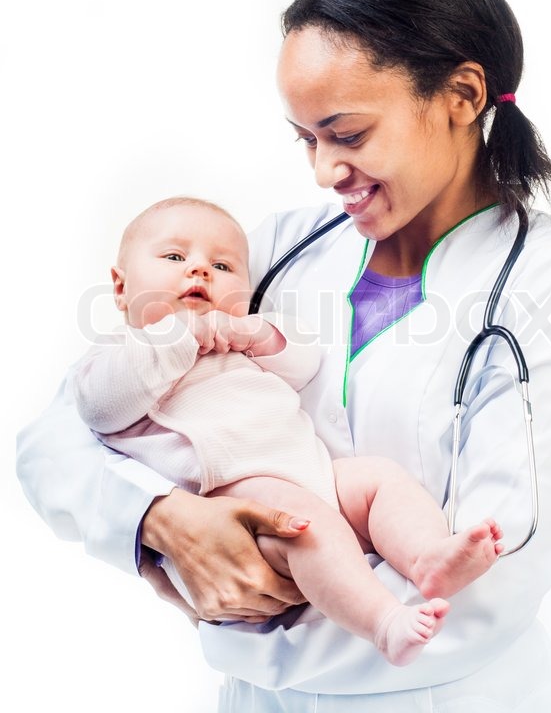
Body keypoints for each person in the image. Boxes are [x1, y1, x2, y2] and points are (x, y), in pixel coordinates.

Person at [16, 0, 551, 713]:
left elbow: (496, 571)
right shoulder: (270, 250)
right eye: (306, 139)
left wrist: (237, 621)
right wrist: (162, 521)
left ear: (462, 96)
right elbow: (58, 438)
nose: (324, 170)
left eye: (348, 133)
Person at [71, 194, 505, 666]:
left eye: (222, 266)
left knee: (379, 479)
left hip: (314, 472)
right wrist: (178, 339)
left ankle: (427, 557)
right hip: (237, 501)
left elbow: (304, 362)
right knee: (309, 527)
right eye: (175, 258)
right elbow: (100, 408)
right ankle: (384, 623)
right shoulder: (117, 353)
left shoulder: (236, 341)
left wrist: (257, 336)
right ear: (120, 288)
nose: (200, 271)